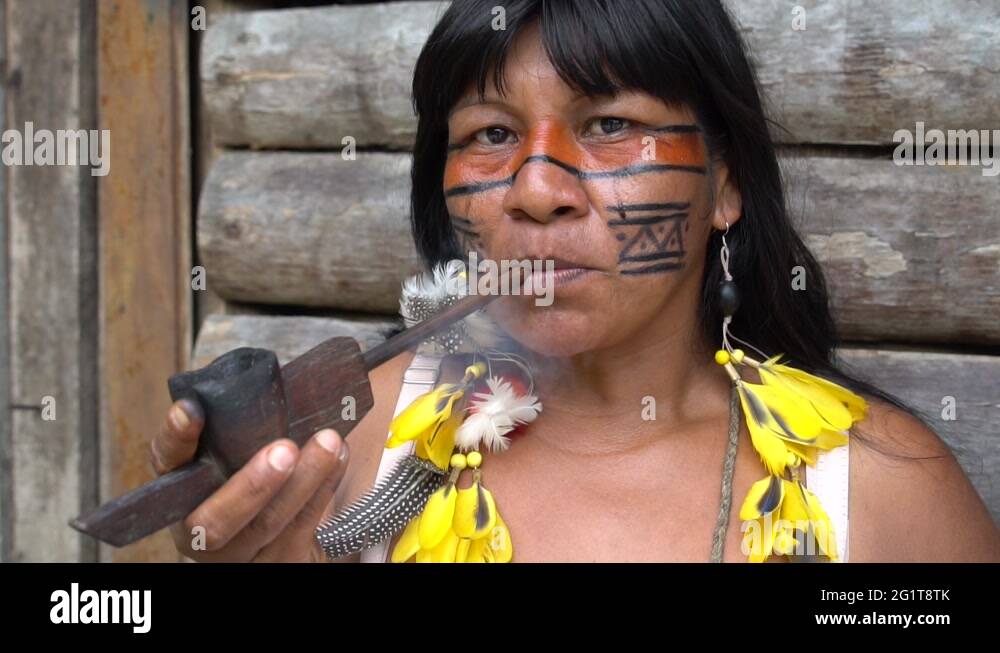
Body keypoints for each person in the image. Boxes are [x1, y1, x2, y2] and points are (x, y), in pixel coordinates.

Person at [152, 0, 1000, 562]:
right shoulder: (347, 453)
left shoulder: (879, 495)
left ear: (726, 185)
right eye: (490, 133)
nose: (535, 188)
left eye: (609, 124)